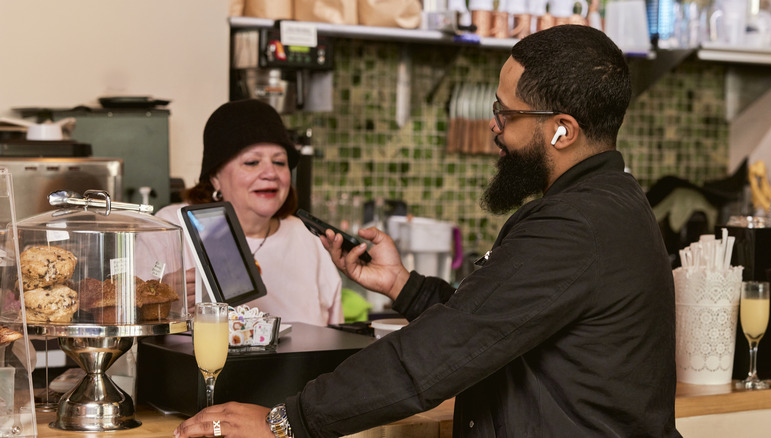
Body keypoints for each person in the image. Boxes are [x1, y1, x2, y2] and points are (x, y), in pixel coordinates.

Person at [174, 25, 680, 437]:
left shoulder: (575, 226)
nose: (494, 125)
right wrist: (402, 285)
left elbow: (437, 355)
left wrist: (288, 421)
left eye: (506, 112)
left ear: (562, 129)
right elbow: (489, 321)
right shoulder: (610, 205)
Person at [157, 99, 343, 326]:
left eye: (279, 162)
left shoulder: (310, 239)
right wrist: (162, 299)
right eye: (252, 162)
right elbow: (133, 327)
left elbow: (335, 339)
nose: (270, 173)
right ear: (215, 176)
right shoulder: (171, 228)